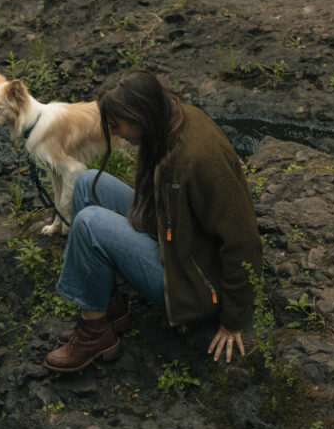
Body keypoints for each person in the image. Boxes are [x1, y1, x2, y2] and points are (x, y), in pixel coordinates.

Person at [44, 70, 262, 374]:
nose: (115, 133)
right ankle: (109, 308)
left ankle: (95, 334)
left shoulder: (198, 157)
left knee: (90, 222)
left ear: (141, 115)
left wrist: (232, 321)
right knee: (87, 182)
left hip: (196, 283)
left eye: (117, 125)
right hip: (172, 233)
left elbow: (244, 240)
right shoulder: (170, 119)